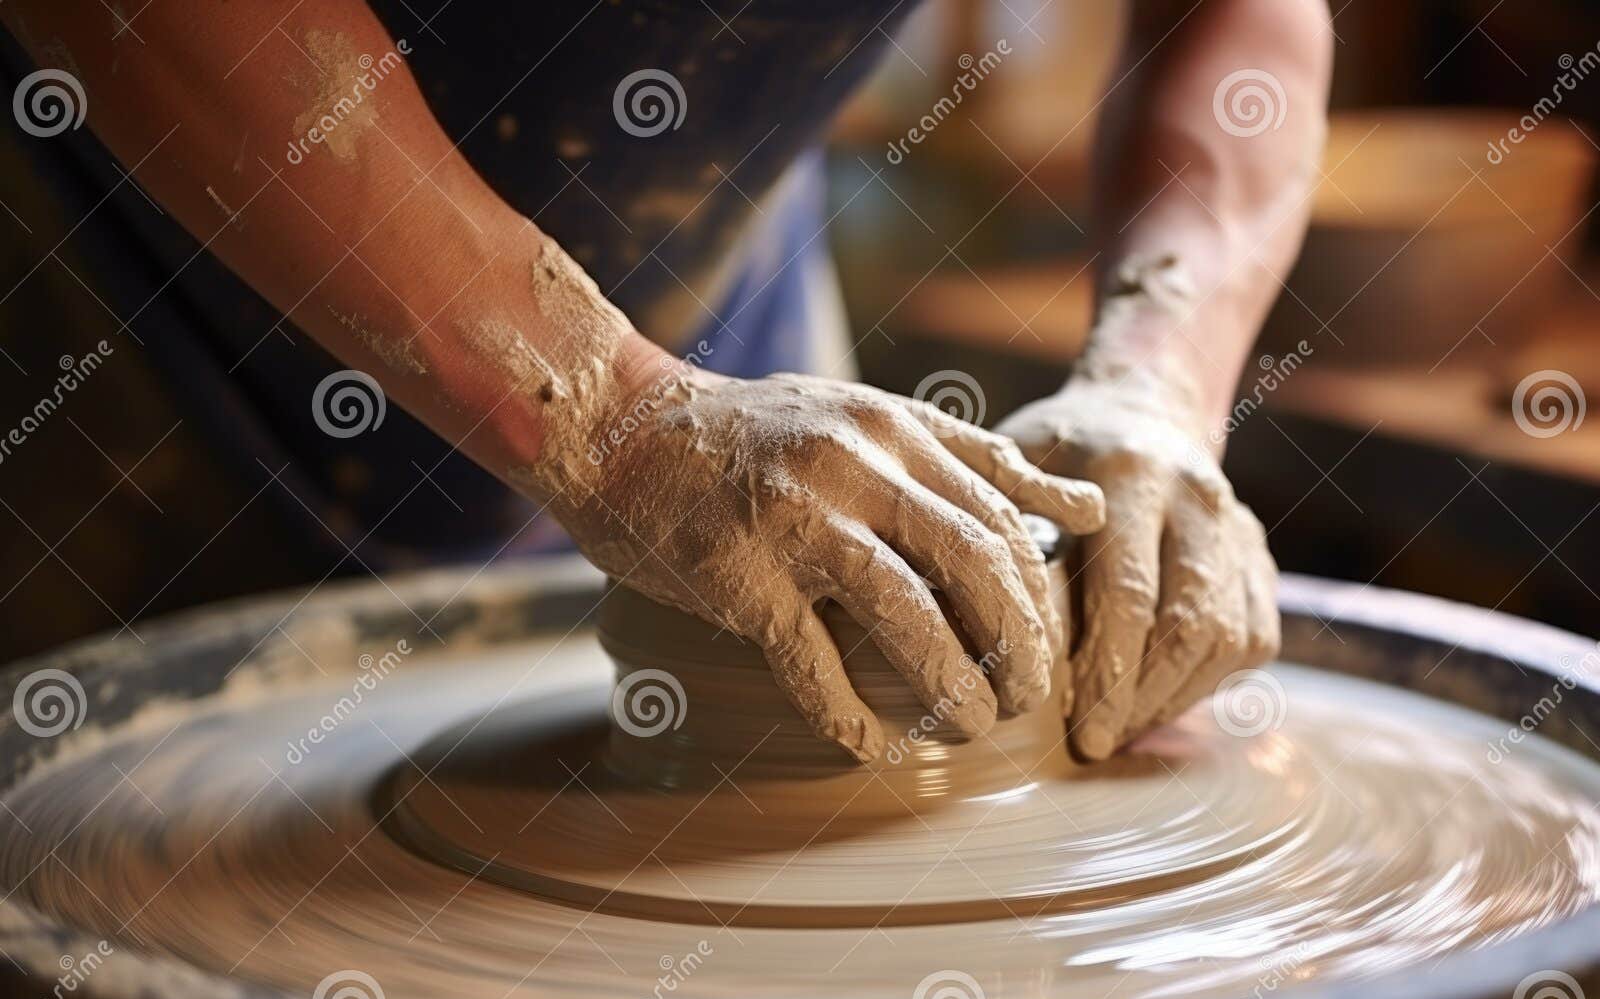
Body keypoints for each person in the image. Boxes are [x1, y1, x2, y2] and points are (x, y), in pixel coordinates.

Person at [0, 1, 1329, 762]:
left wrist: (1155, 378)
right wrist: (608, 421)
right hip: (127, 299)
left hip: (706, 296)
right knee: (121, 906)